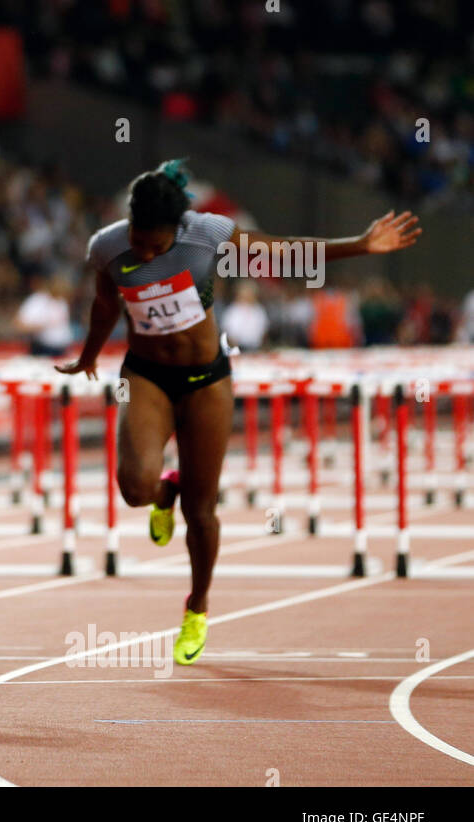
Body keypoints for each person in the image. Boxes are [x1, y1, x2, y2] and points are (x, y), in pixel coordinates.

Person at [59, 159, 420, 665]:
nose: (144, 252)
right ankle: (166, 487)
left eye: (155, 246)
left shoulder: (206, 236)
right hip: (144, 375)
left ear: (176, 231)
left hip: (207, 380)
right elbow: (104, 304)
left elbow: (288, 255)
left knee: (200, 513)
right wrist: (92, 354)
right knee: (134, 488)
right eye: (138, 240)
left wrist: (361, 245)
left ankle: (196, 607)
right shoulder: (109, 245)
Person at [15, 272, 75, 357]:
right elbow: (19, 324)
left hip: (63, 349)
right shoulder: (37, 301)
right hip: (43, 349)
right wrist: (42, 325)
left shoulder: (62, 302)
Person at [219, 279, 269, 351]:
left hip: (255, 348)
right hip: (237, 348)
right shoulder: (232, 311)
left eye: (250, 293)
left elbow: (264, 331)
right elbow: (227, 332)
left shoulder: (259, 311)